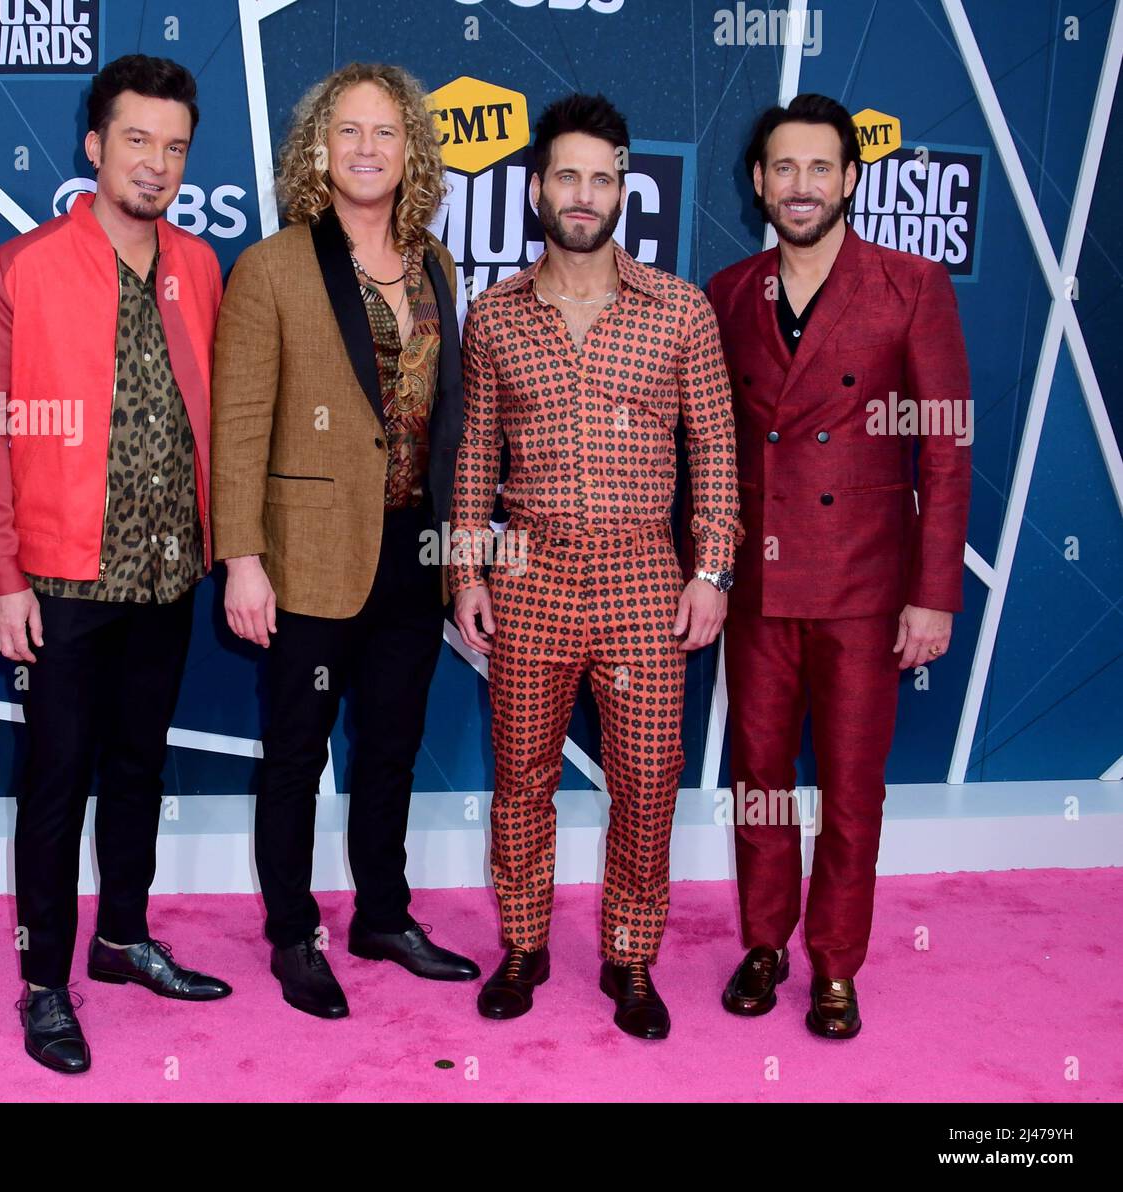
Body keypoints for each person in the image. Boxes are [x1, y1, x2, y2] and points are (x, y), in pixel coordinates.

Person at [450, 94, 741, 1041]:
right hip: (530, 576)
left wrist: (716, 572)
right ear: (538, 189)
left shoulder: (682, 312)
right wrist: (465, 574)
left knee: (649, 777)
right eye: (567, 176)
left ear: (625, 190)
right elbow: (474, 455)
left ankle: (629, 958)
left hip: (645, 581)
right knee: (521, 777)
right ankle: (525, 946)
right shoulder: (494, 316)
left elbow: (717, 452)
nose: (584, 194)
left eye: (602, 178)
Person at [0, 54, 230, 1075]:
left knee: (140, 770)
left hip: (167, 579)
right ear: (93, 146)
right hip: (61, 581)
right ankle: (44, 985)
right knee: (54, 782)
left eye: (173, 148)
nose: (155, 164)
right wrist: (2, 574)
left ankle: (122, 940)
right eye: (136, 141)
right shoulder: (24, 265)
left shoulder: (199, 267)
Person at [211, 62, 478, 1020]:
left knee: (393, 749)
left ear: (413, 151)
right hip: (308, 558)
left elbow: (449, 422)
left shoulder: (437, 266)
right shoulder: (274, 266)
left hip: (414, 553)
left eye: (386, 132)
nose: (368, 149)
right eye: (349, 132)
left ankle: (383, 914)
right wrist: (242, 558)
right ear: (318, 151)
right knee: (296, 752)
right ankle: (293, 934)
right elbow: (239, 425)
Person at [706, 94, 971, 1039]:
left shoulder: (911, 285)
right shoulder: (730, 292)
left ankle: (835, 966)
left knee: (853, 792)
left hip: (864, 591)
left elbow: (944, 450)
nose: (801, 186)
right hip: (759, 589)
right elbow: (712, 449)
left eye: (821, 168)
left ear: (851, 178)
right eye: (784, 169)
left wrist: (934, 595)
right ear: (758, 183)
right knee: (760, 778)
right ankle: (766, 943)